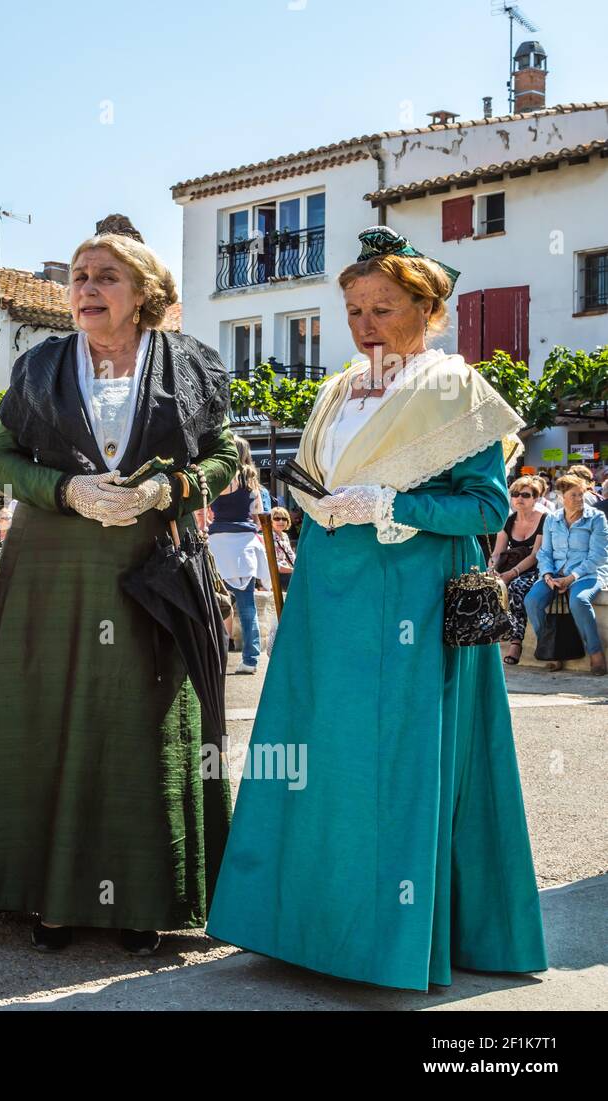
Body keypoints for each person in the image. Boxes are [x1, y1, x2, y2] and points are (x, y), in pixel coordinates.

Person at [206, 225, 547, 991]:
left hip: (410, 601)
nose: (365, 325)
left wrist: (391, 504)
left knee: (387, 762)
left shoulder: (455, 389)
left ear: (427, 309)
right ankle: (304, 927)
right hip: (327, 596)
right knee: (316, 756)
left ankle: (382, 944)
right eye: (355, 309)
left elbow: (486, 506)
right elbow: (313, 479)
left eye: (383, 308)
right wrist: (315, 504)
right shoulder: (336, 390)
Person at [0, 229, 240, 956]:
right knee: (46, 718)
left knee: (144, 721)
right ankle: (48, 896)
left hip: (153, 566)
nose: (86, 288)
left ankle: (142, 898)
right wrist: (66, 489)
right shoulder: (41, 364)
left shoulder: (192, 363)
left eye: (106, 276)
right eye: (79, 275)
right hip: (51, 565)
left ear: (144, 293)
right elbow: (1, 457)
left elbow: (225, 456)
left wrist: (172, 489)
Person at [524, 474, 608, 674]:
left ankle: (595, 653)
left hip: (588, 573)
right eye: (574, 495)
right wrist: (547, 575)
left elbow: (598, 555)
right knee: (532, 601)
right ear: (562, 497)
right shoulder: (552, 519)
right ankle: (550, 648)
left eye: (581, 494)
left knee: (578, 600)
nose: (579, 499)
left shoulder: (596, 518)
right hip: (554, 573)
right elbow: (544, 553)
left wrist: (571, 578)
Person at [208, 435, 270, 674]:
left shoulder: (220, 477)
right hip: (245, 545)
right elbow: (258, 515)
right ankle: (250, 660)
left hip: (218, 544)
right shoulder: (251, 481)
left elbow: (208, 508)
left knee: (216, 603)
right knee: (247, 605)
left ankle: (217, 655)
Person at [489, 475, 545, 665]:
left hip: (536, 569)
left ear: (535, 498)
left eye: (526, 495)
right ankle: (487, 640)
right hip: (511, 568)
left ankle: (516, 641)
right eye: (515, 494)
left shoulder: (544, 519)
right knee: (487, 587)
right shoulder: (508, 521)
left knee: (516, 587)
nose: (519, 498)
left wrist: (511, 574)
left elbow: (535, 555)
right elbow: (497, 553)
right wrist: (492, 570)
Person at [269, 506, 296, 592]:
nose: (281, 521)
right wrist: (293, 570)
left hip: (288, 570)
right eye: (277, 519)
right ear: (271, 521)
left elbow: (291, 555)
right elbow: (271, 564)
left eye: (284, 519)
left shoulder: (285, 536)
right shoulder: (267, 537)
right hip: (276, 574)